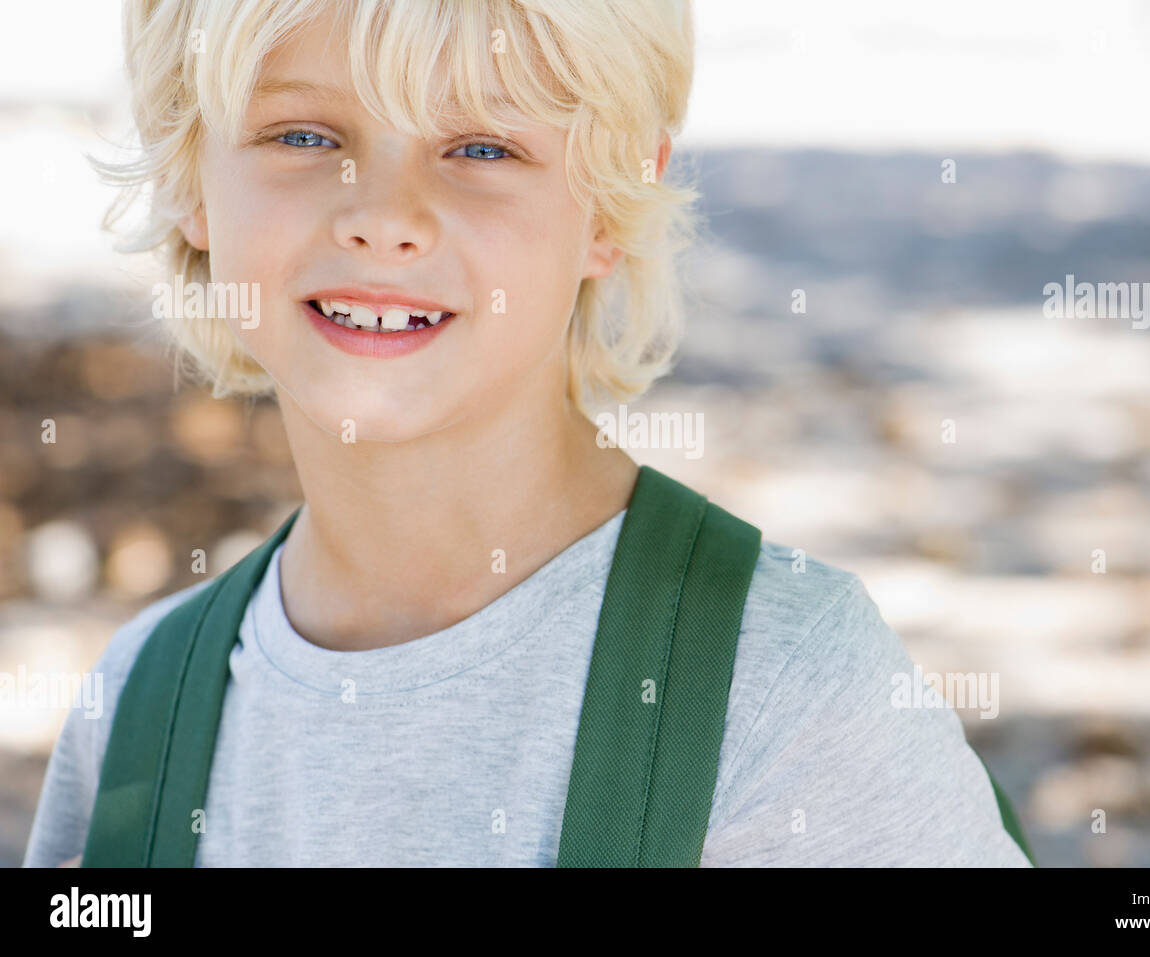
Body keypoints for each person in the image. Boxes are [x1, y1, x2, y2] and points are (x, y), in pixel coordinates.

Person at [23, 0, 1030, 867]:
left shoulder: (778, 682)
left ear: (610, 201)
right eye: (303, 136)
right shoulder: (141, 707)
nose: (383, 216)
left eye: (481, 148)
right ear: (192, 177)